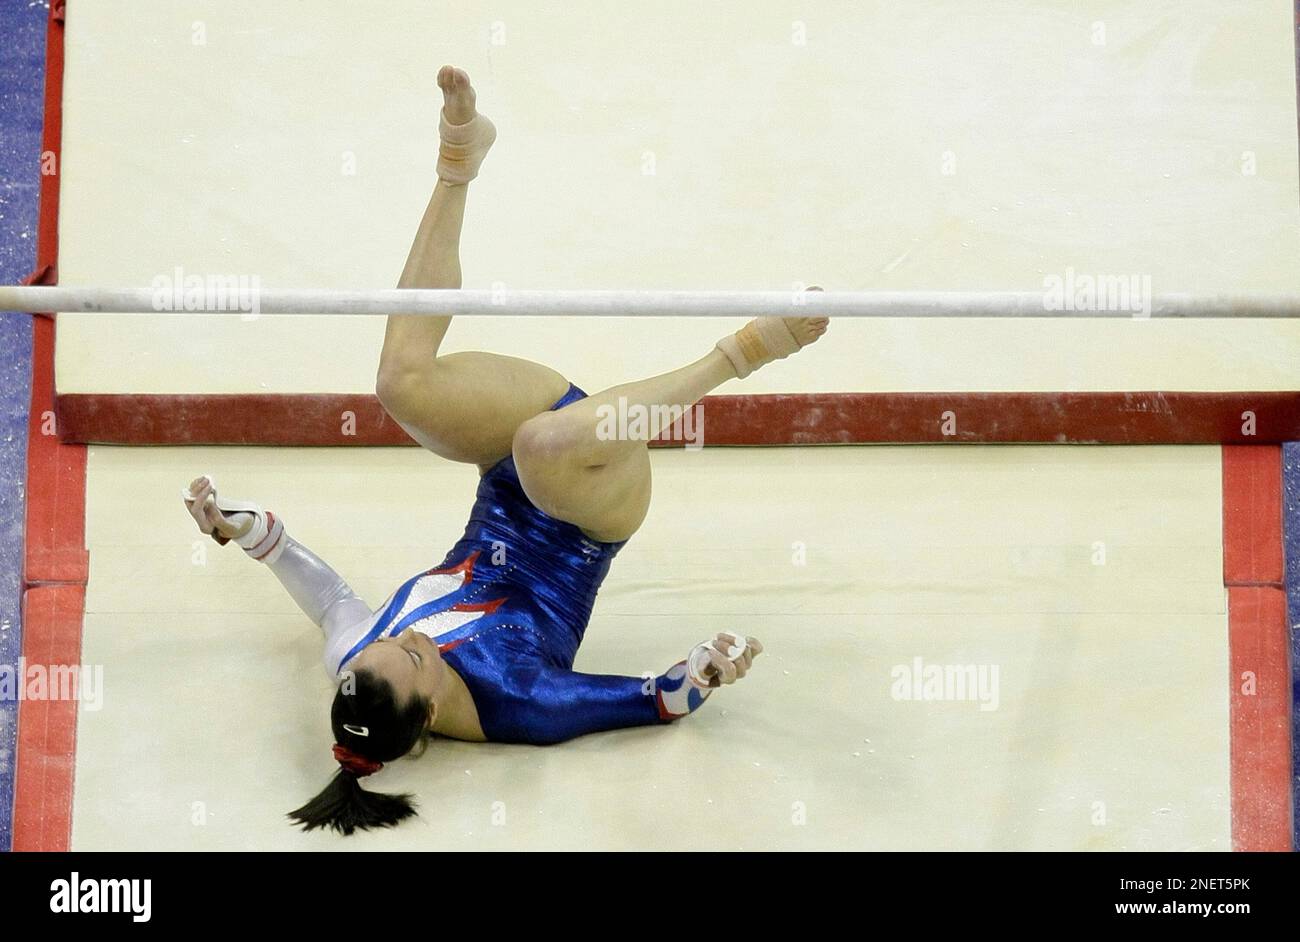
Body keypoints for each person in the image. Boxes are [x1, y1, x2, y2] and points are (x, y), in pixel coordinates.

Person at [182, 65, 827, 835]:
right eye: (416, 656)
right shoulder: (519, 704)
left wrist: (240, 527)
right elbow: (661, 699)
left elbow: (327, 601)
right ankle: (744, 353)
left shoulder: (364, 658)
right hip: (591, 503)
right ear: (428, 717)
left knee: (401, 382)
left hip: (511, 468)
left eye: (391, 642)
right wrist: (710, 668)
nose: (408, 637)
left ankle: (460, 160)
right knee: (546, 443)